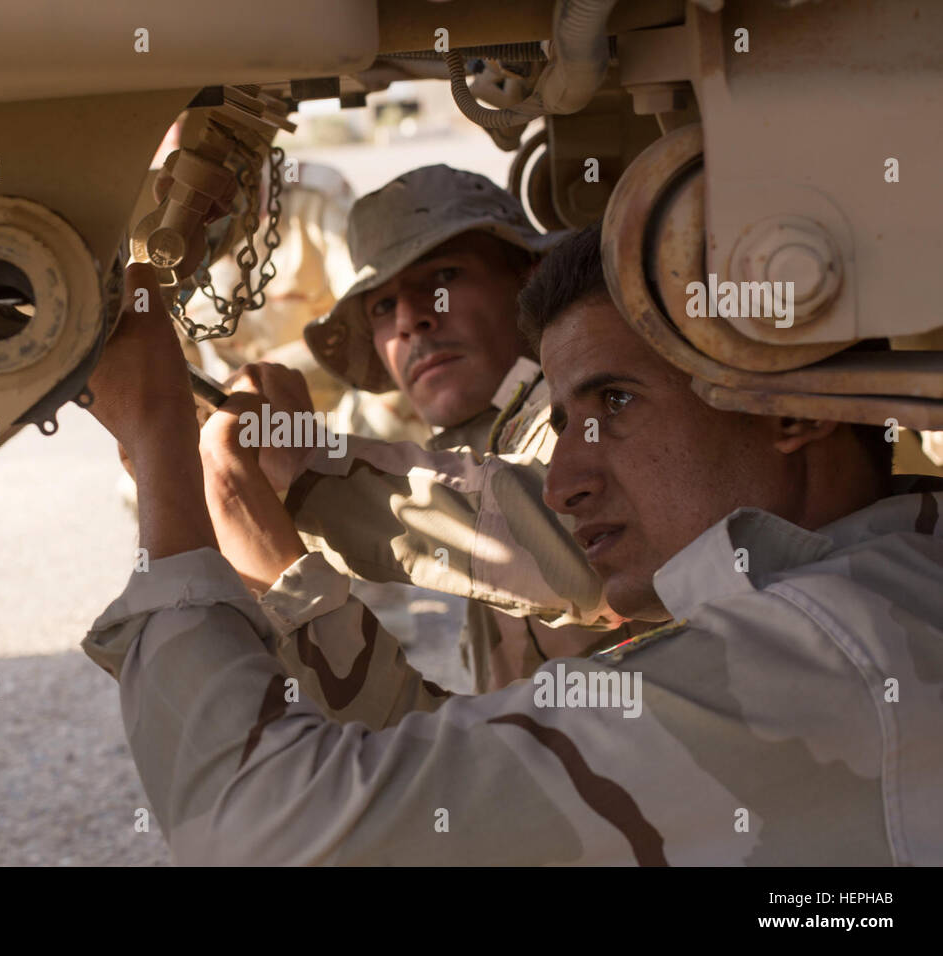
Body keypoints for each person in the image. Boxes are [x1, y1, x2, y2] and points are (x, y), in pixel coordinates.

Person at [78, 223, 943, 865]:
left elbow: (264, 834)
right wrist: (284, 575)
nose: (564, 480)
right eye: (566, 421)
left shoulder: (831, 654)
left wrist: (161, 452)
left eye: (617, 405)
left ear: (791, 407)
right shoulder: (870, 593)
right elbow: (488, 784)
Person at [228, 164, 623, 692]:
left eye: (443, 277)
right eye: (384, 306)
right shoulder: (486, 440)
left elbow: (588, 554)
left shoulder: (598, 401)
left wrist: (307, 468)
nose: (413, 318)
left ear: (530, 280)